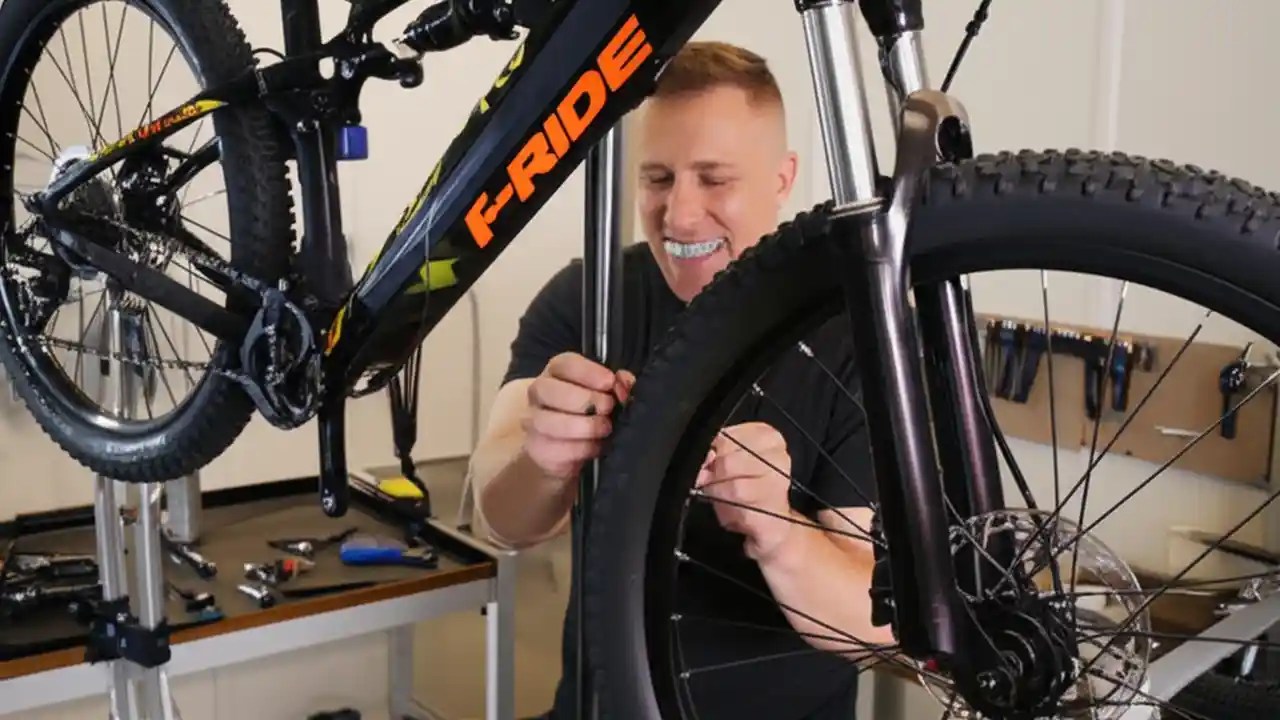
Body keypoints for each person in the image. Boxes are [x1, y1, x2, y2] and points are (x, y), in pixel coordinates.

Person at [468, 41, 891, 719]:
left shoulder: (855, 334)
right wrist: (542, 462)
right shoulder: (585, 299)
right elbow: (498, 521)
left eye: (714, 179)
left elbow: (872, 629)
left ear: (783, 178)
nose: (680, 215)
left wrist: (778, 529)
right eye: (658, 178)